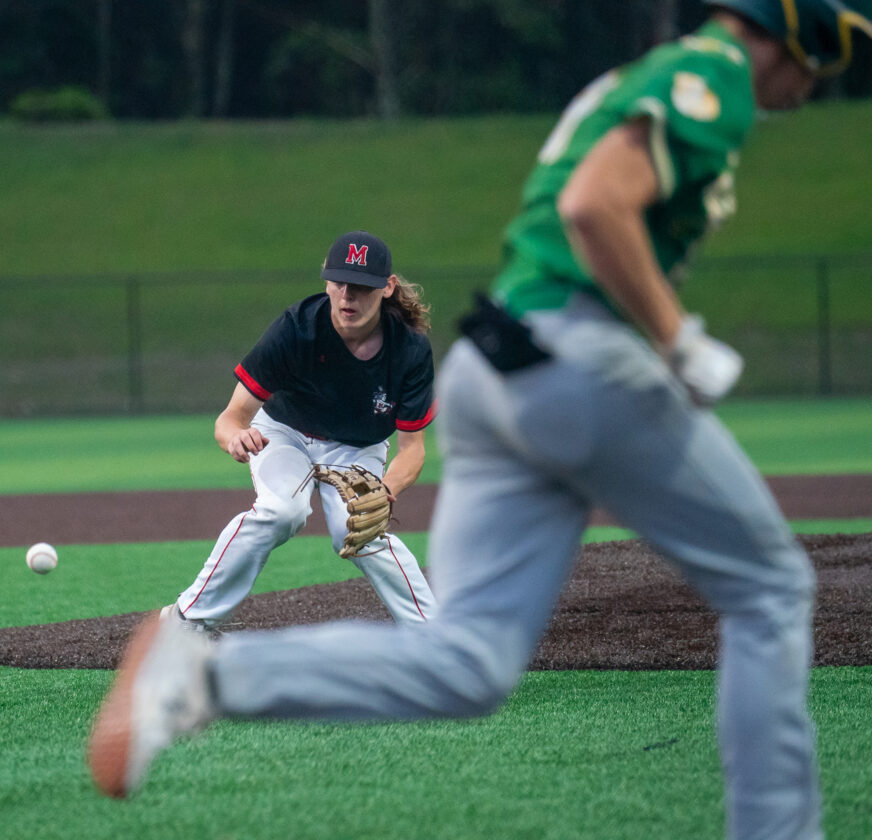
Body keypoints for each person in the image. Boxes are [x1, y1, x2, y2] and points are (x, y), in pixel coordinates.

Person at [88, 3, 872, 837]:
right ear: (799, 32)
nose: (822, 80)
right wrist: (677, 338)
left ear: (386, 290)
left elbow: (415, 439)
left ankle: (199, 676)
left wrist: (386, 485)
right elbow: (593, 205)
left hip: (495, 371)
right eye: (836, 51)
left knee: (467, 661)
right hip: (580, 361)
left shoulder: (645, 77)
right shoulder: (716, 69)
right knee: (772, 589)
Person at [164, 230, 438, 629]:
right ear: (326, 280)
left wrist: (385, 489)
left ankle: (435, 636)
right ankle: (186, 622)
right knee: (281, 512)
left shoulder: (409, 349)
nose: (348, 295)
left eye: (362, 286)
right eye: (340, 282)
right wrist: (235, 436)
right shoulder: (297, 329)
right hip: (284, 431)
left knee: (360, 529)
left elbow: (412, 449)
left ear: (388, 287)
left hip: (357, 446)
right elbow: (231, 417)